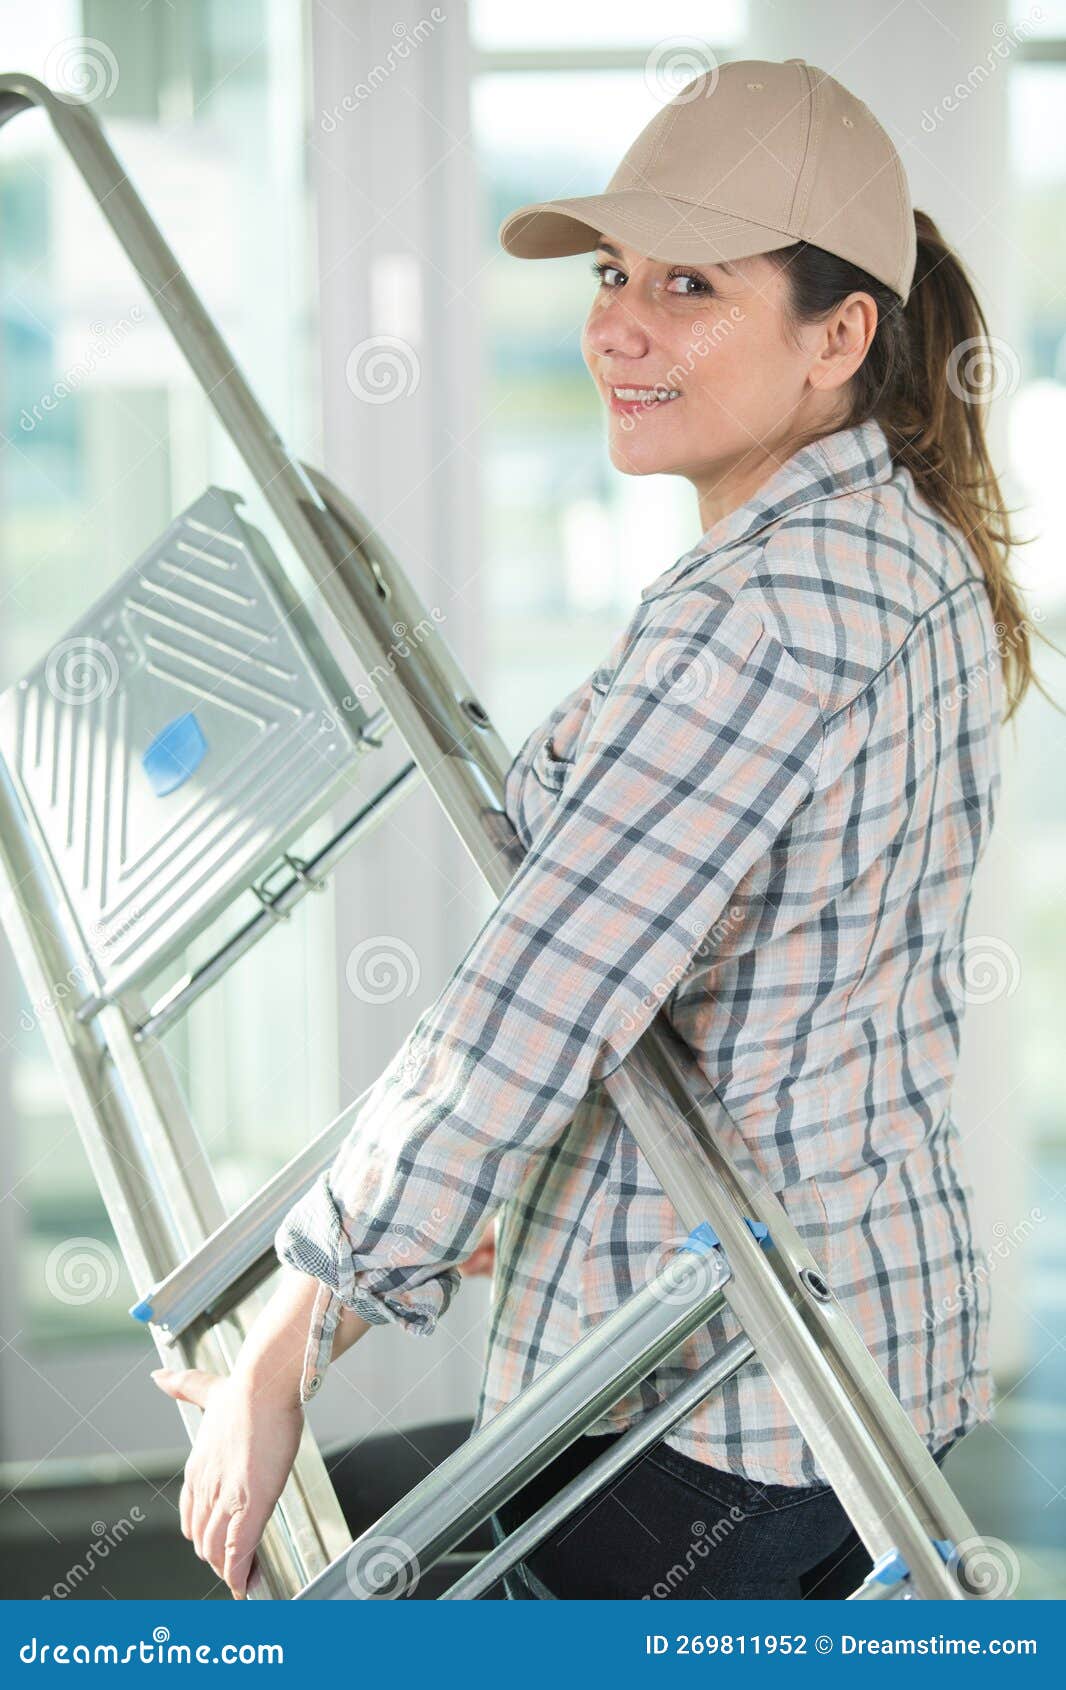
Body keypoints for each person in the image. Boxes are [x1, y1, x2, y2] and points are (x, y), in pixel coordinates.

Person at [151, 57, 1046, 1600]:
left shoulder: (773, 612)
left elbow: (533, 1001)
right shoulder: (885, 547)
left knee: (328, 1589)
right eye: (612, 275)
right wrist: (521, 1187)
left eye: (688, 284)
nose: (618, 326)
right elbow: (743, 977)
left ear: (838, 336)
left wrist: (288, 1341)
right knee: (370, 1525)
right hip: (855, 1352)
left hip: (724, 1412)